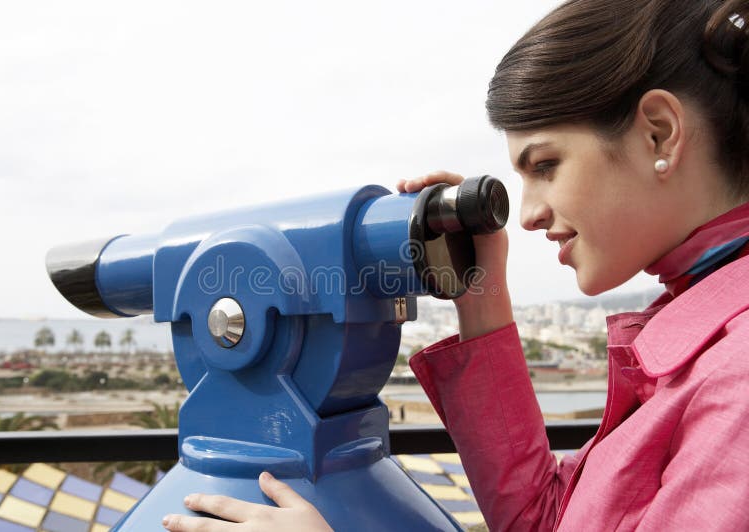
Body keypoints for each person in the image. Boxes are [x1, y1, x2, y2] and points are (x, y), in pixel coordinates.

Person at [162, 0, 749, 530]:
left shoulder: (736, 379)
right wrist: (478, 288)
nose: (528, 215)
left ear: (659, 134)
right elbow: (545, 520)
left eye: (545, 165)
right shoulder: (706, 349)